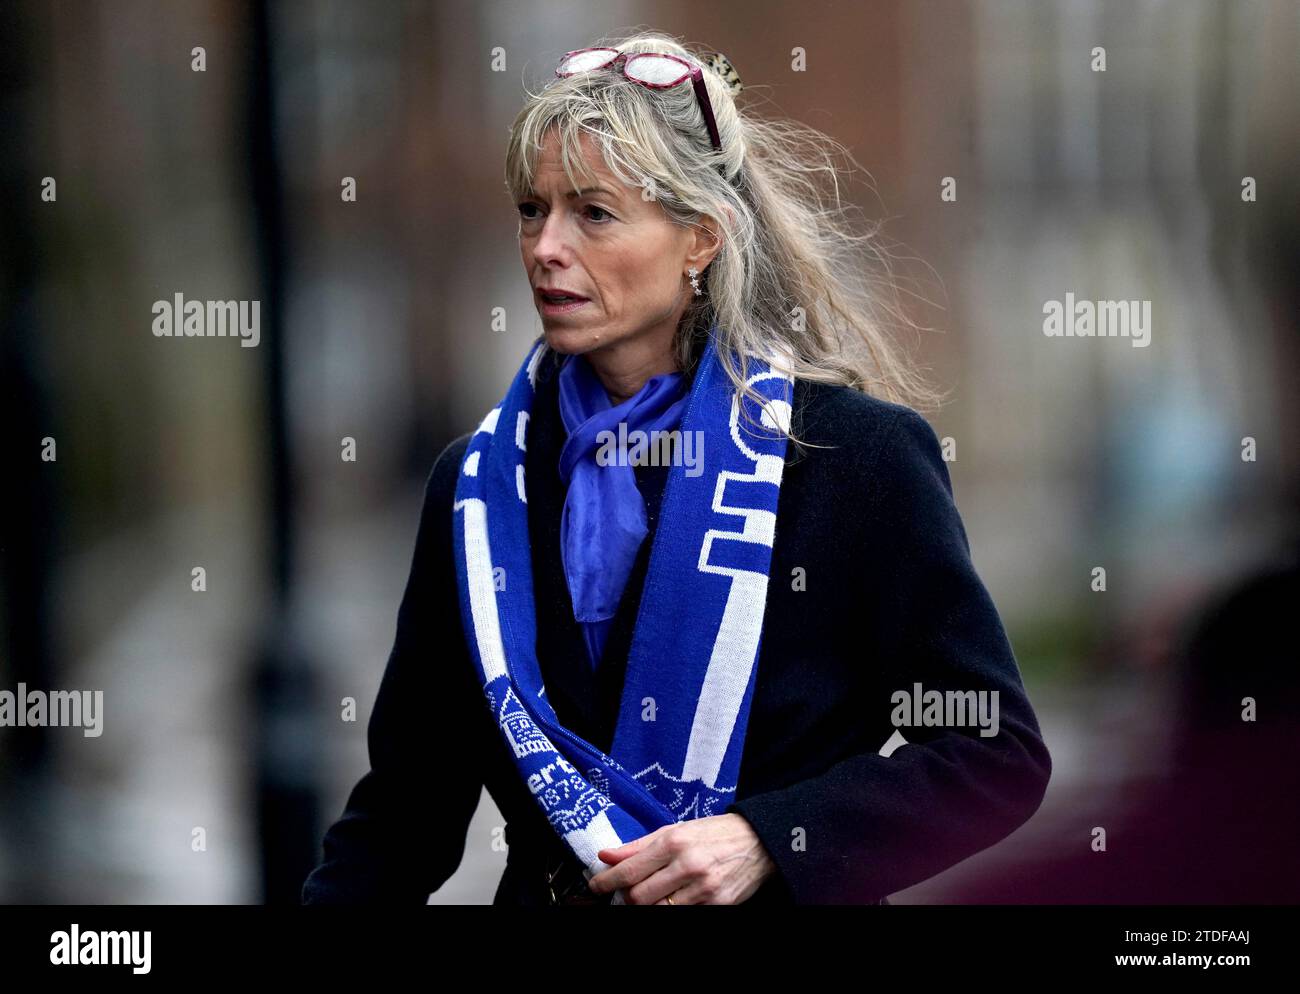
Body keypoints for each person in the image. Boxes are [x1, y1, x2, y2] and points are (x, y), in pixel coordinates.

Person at [301, 30, 1051, 906]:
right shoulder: (478, 488)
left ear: (700, 239)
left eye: (594, 212)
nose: (546, 247)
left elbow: (992, 750)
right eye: (530, 209)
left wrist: (768, 839)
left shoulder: (854, 459)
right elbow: (405, 813)